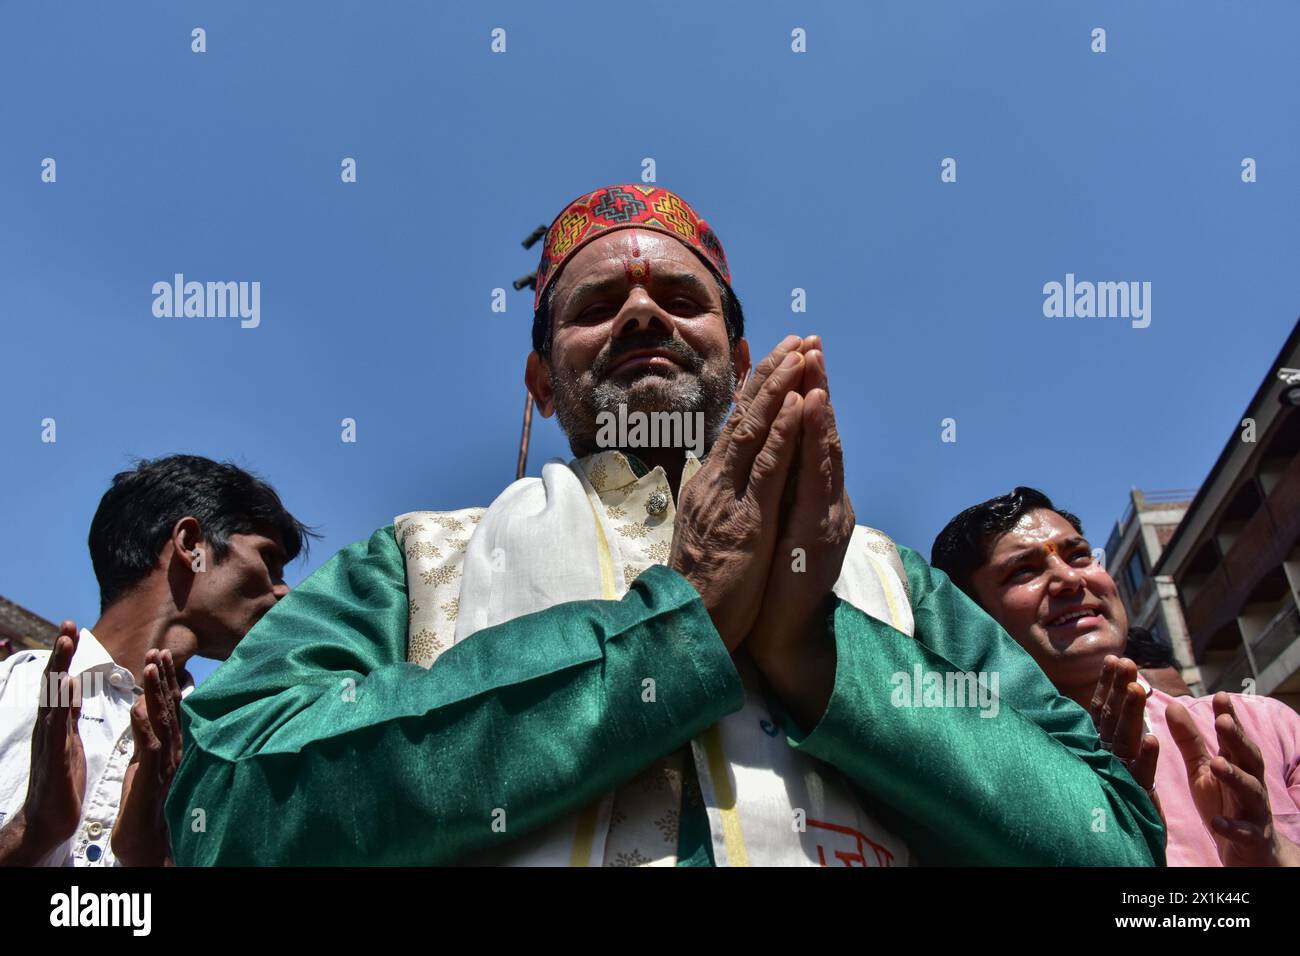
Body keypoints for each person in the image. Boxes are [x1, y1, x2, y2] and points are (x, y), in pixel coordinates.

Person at [166, 185, 1162, 867]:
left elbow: (1112, 834)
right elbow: (222, 798)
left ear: (731, 350)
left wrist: (821, 658)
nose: (643, 313)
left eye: (679, 297)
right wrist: (670, 632)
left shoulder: (892, 582)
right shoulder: (424, 560)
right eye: (599, 303)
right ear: (540, 380)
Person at [931, 485, 1300, 866]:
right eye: (1024, 571)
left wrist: (1270, 852)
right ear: (972, 621)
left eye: (1079, 556)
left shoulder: (1265, 726)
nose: (1070, 580)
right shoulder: (974, 778)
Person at [0, 455, 312, 866]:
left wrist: (150, 856)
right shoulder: (11, 689)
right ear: (190, 544)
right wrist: (33, 831)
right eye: (268, 561)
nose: (283, 592)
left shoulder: (218, 759)